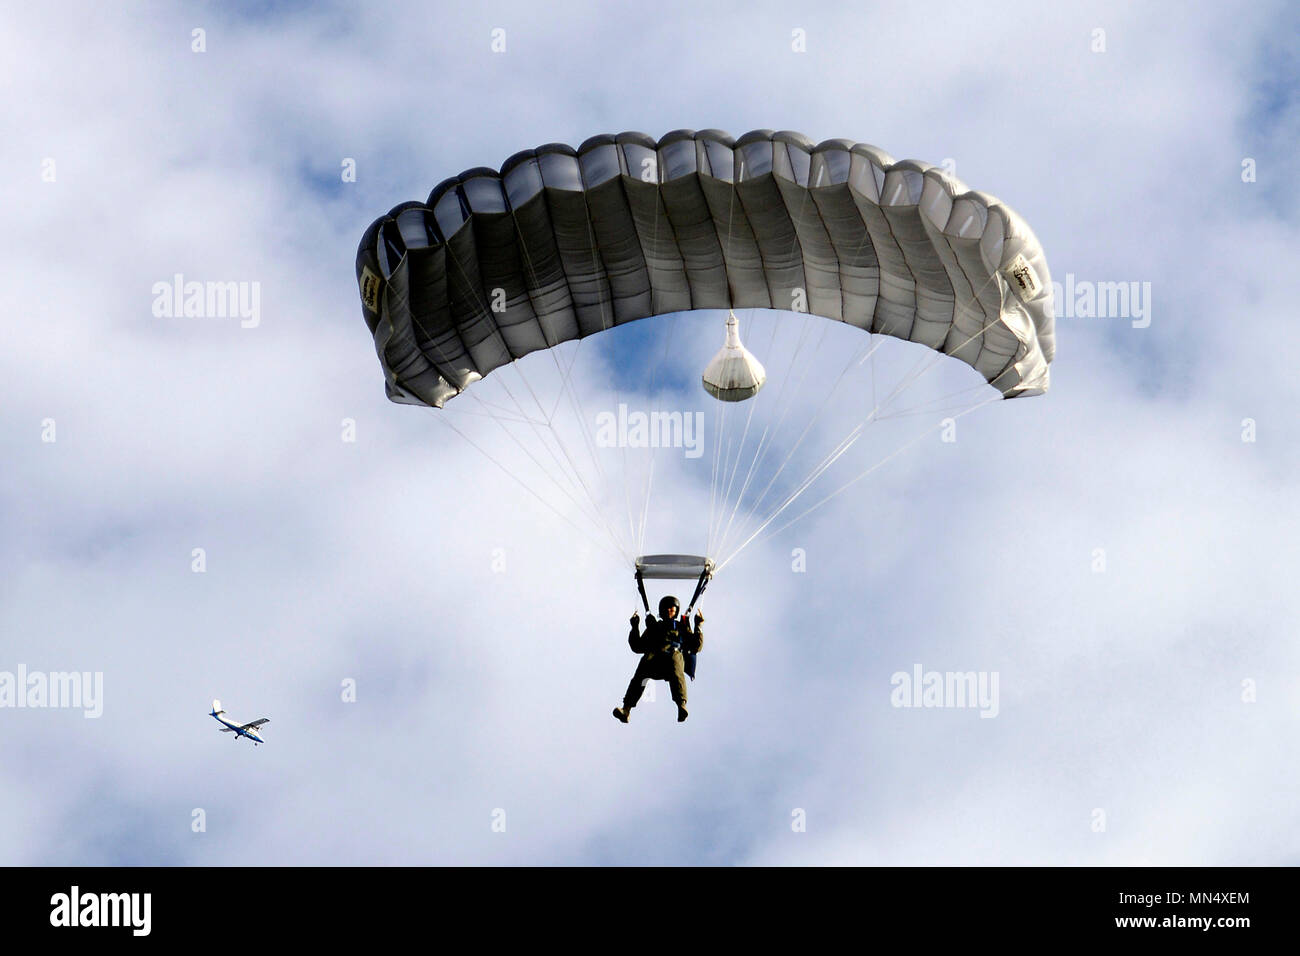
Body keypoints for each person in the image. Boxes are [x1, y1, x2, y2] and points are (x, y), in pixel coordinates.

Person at [613, 595, 703, 723]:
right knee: (643, 669)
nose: (668, 611)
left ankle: (681, 705)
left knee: (675, 659)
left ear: (676, 612)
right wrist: (634, 627)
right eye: (666, 609)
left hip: (672, 661)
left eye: (671, 609)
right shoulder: (654, 628)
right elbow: (637, 646)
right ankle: (626, 709)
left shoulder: (681, 627)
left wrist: (698, 626)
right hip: (654, 662)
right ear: (661, 611)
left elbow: (696, 646)